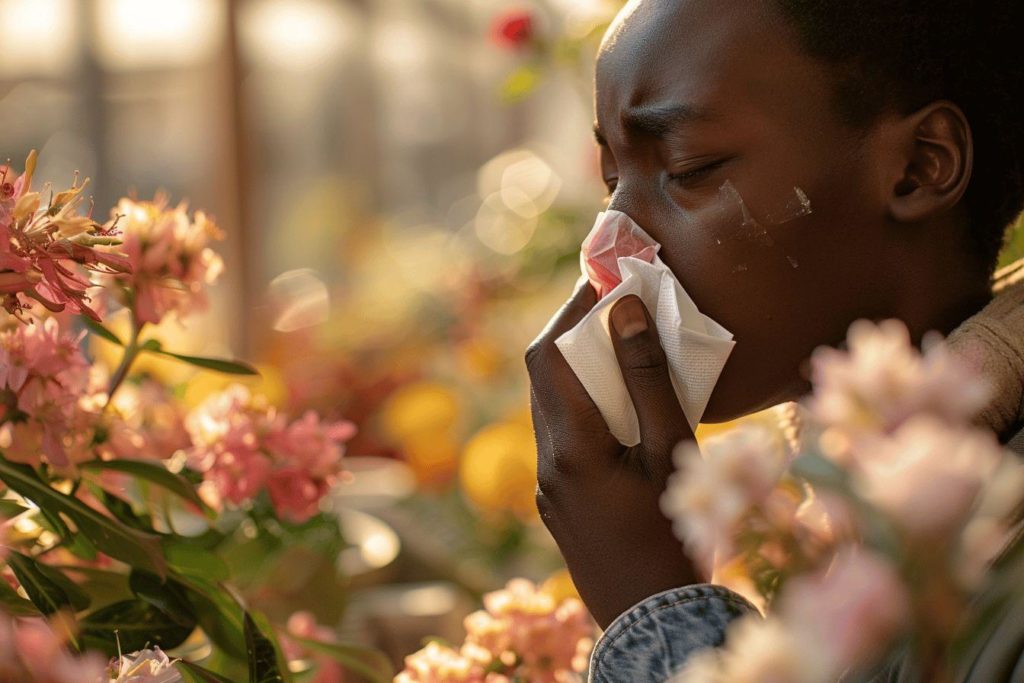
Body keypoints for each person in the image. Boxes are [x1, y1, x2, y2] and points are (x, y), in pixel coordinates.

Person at [525, 1, 1024, 680]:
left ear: (919, 166)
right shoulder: (828, 514)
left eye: (686, 168)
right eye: (614, 182)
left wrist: (656, 607)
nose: (609, 251)